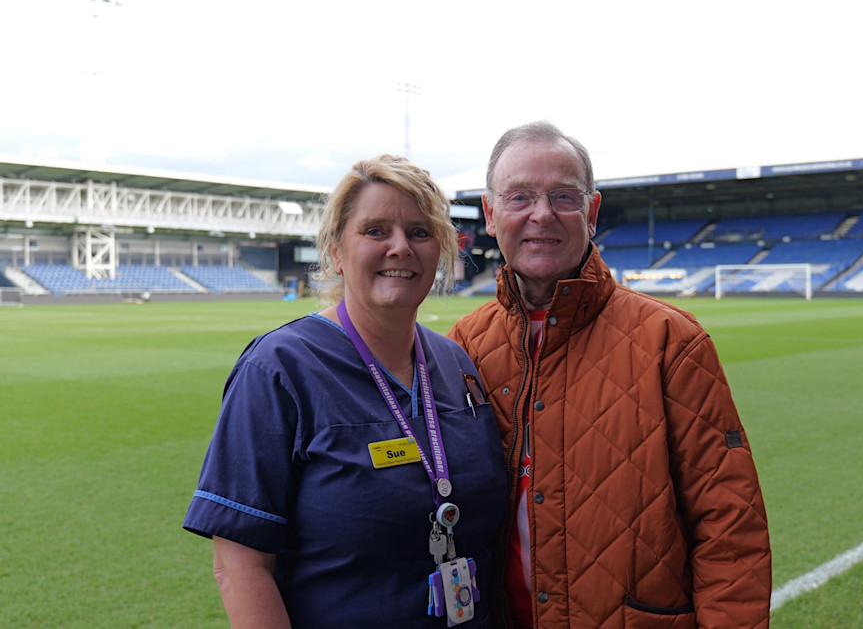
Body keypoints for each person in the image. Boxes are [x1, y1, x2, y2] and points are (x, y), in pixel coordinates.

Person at [448, 122, 772, 628]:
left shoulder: (671, 341)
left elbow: (730, 525)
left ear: (592, 212)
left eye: (563, 196)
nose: (542, 214)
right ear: (490, 215)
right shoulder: (462, 347)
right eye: (519, 197)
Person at [183, 154, 507, 628]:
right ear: (335, 250)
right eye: (375, 231)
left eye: (420, 232)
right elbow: (239, 567)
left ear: (441, 251)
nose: (400, 247)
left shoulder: (456, 364)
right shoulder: (278, 369)